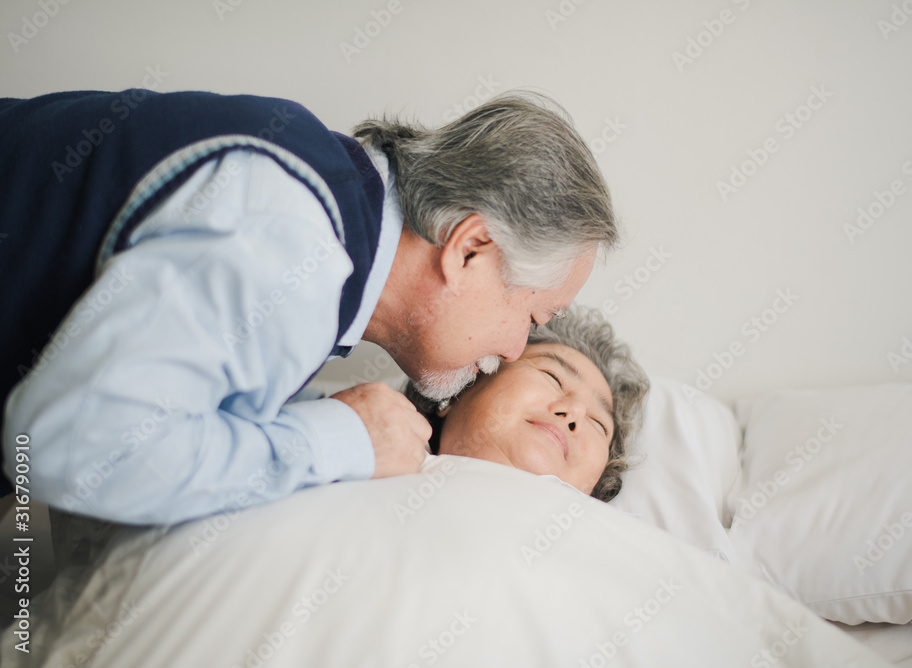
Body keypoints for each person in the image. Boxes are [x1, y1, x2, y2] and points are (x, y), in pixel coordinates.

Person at [0, 89, 620, 523]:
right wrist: (338, 440)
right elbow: (70, 444)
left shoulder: (321, 209)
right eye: (531, 318)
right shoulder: (293, 241)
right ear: (470, 249)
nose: (516, 349)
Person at [405, 306, 649, 502]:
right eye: (552, 377)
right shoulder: (370, 446)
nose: (575, 411)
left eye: (598, 424)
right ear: (458, 387)